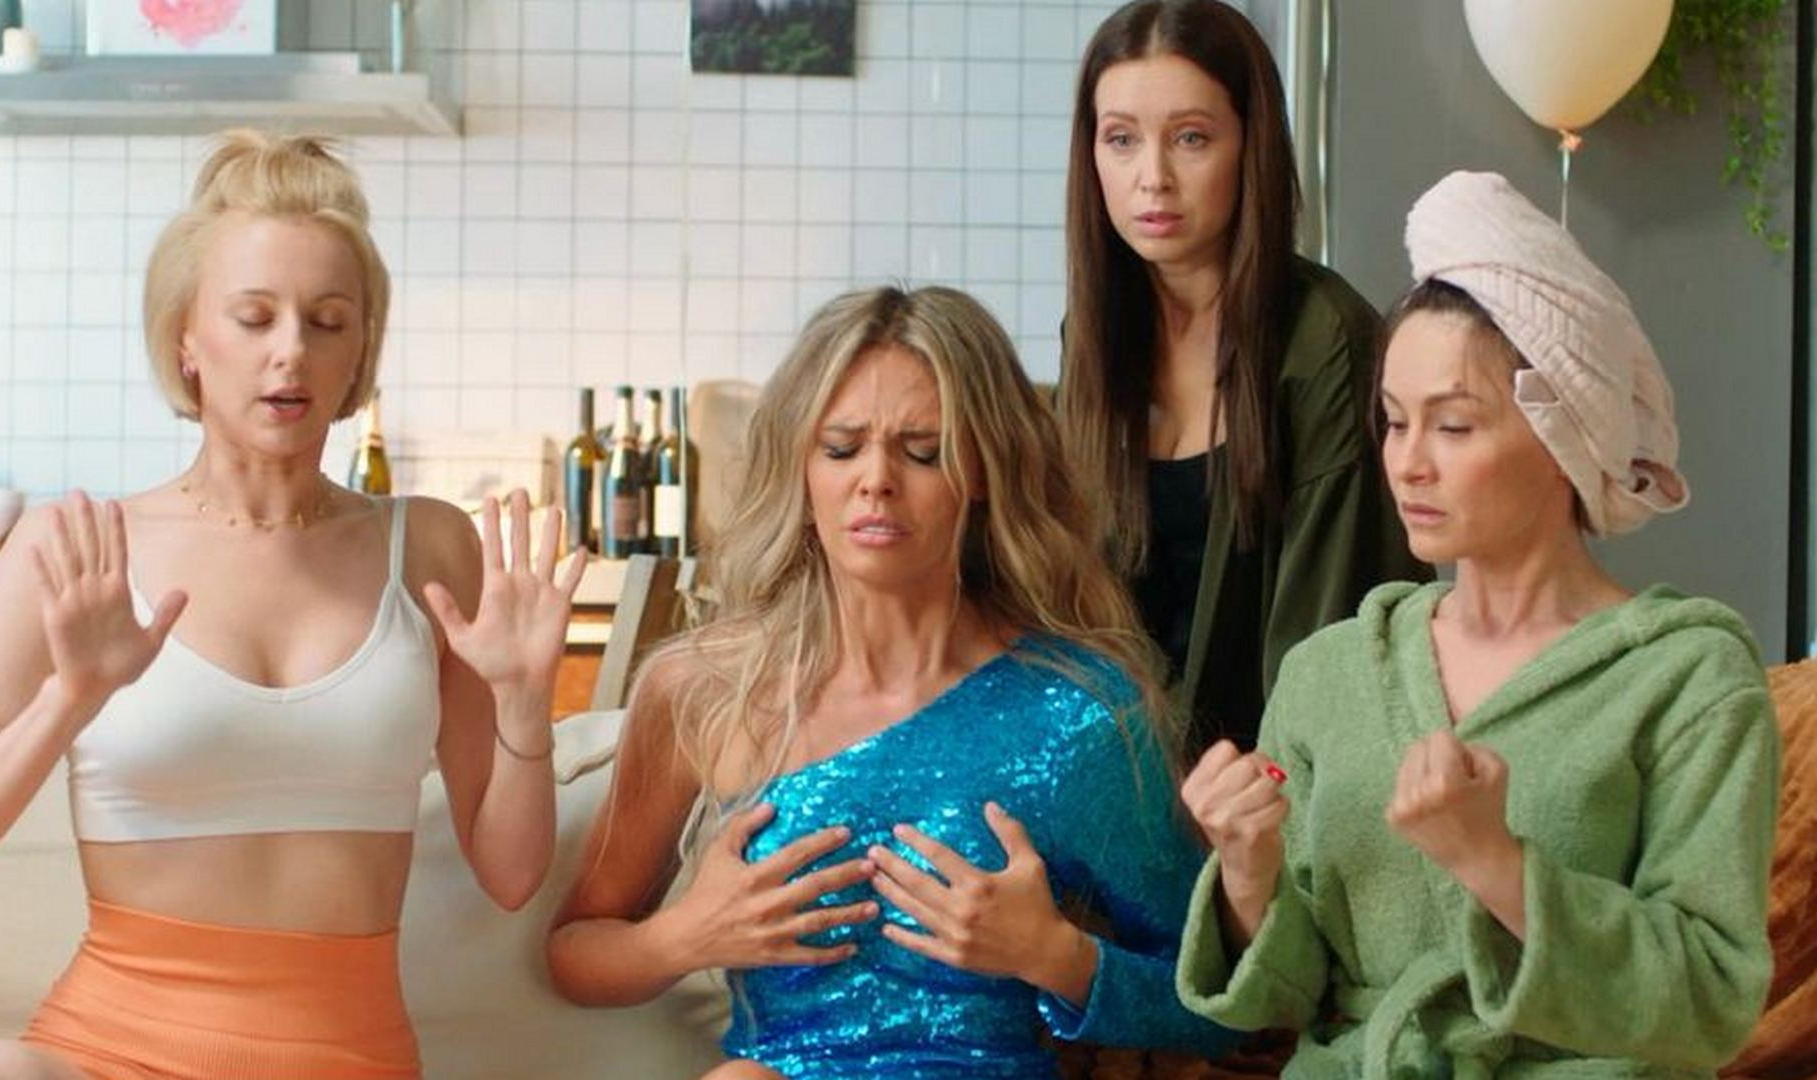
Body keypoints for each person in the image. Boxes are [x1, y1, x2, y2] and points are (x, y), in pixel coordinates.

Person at [0, 130, 583, 1079]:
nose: (290, 352)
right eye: (254, 318)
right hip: (105, 1057)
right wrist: (69, 701)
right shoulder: (74, 547)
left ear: (361, 351)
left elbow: (510, 876)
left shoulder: (427, 548)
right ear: (186, 338)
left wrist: (522, 705)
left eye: (328, 321)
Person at [1176, 171, 1779, 1076]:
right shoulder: (1331, 671)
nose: (1408, 463)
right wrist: (1246, 871)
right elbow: (1291, 996)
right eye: (1393, 423)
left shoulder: (1686, 677)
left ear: (1565, 438)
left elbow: (1710, 998)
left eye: (1453, 427)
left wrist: (1496, 862)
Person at [547, 286, 1234, 1078]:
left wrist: (1053, 954)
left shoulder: (1077, 712)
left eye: (923, 452)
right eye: (841, 449)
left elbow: (1214, 1006)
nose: (876, 480)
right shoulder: (704, 689)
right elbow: (576, 953)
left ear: (983, 472)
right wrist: (686, 935)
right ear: (801, 470)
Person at [1059, 0, 1425, 754]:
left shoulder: (1328, 339)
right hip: (1127, 773)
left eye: (1190, 138)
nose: (1152, 178)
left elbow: (1339, 645)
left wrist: (1255, 791)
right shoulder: (1093, 334)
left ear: (1249, 146)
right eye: (1121, 139)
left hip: (1281, 783)